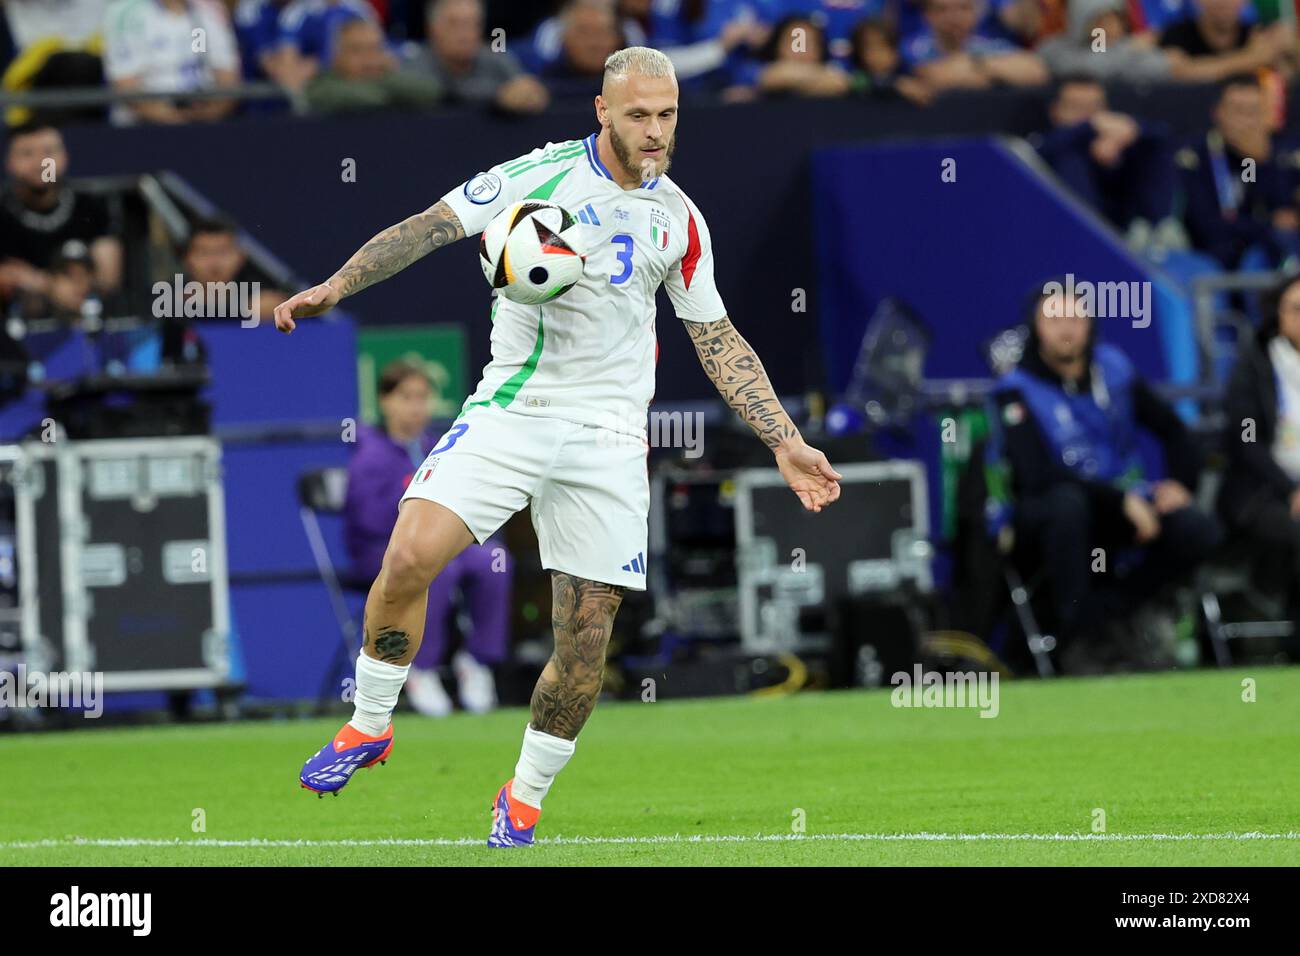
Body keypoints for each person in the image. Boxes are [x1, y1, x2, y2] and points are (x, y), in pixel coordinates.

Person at [275, 46, 842, 846]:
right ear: (602, 112)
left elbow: (717, 337)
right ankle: (371, 723)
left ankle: (525, 796)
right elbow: (430, 228)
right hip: (515, 407)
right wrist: (338, 284)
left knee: (585, 635)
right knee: (408, 557)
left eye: (667, 115)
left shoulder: (679, 219)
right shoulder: (536, 177)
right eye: (638, 114)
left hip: (610, 433)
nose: (654, 131)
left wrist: (783, 439)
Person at [987, 284, 1221, 673]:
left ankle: (1114, 612)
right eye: (1054, 319)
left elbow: (1173, 429)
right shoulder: (1014, 391)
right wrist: (1120, 500)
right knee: (1068, 506)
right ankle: (1081, 641)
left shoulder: (1114, 370)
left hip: (1120, 509)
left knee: (1198, 528)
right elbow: (1036, 475)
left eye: (1075, 318)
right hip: (1043, 514)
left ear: (1090, 325)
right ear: (1036, 328)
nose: (1066, 330)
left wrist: (1179, 483)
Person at [344, 359, 510, 716]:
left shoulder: (440, 446)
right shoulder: (369, 455)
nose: (416, 406)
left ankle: (476, 661)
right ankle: (421, 667)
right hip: (381, 552)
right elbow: (369, 521)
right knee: (432, 567)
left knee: (493, 562)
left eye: (423, 397)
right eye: (406, 397)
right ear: (386, 401)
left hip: (439, 545)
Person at [1217, 270, 1300, 658]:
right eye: (1297, 309)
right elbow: (1246, 442)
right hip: (1263, 490)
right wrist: (1291, 490)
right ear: (1278, 315)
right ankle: (1277, 638)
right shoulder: (1254, 367)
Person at [1175, 75, 1300, 270]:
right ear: (1217, 113)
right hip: (1213, 257)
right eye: (1239, 111)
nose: (1248, 121)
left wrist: (1264, 163)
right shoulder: (1197, 157)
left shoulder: (1282, 155)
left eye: (1254, 111)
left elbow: (1284, 213)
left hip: (1270, 253)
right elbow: (1206, 225)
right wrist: (1265, 227)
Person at [0, 124, 122, 309]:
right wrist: (49, 286)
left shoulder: (90, 207)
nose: (40, 163)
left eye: (48, 152)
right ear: (9, 162)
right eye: (27, 154)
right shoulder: (3, 211)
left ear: (64, 158)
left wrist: (42, 282)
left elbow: (108, 279)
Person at [102, 0, 242, 125]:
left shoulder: (208, 8)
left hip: (202, 120)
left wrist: (208, 113)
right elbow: (126, 86)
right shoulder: (127, 10)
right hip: (142, 127)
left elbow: (228, 79)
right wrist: (173, 118)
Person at [404, 0, 549, 113]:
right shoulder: (415, 62)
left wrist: (530, 93)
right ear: (432, 28)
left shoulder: (495, 58)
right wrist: (498, 97)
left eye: (472, 24)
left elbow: (527, 87)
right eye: (454, 24)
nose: (465, 34)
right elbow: (442, 92)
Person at [303, 17, 442, 114]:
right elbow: (365, 99)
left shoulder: (389, 77)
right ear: (337, 56)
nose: (368, 58)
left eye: (374, 49)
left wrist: (385, 76)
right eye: (356, 50)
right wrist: (390, 92)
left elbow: (430, 91)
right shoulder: (322, 84)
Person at [902, 0, 1048, 91]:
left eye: (964, 8)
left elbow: (1036, 71)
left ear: (975, 13)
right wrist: (998, 76)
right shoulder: (913, 47)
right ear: (928, 15)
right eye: (942, 9)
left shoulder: (988, 45)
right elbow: (936, 78)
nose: (954, 18)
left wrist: (976, 65)